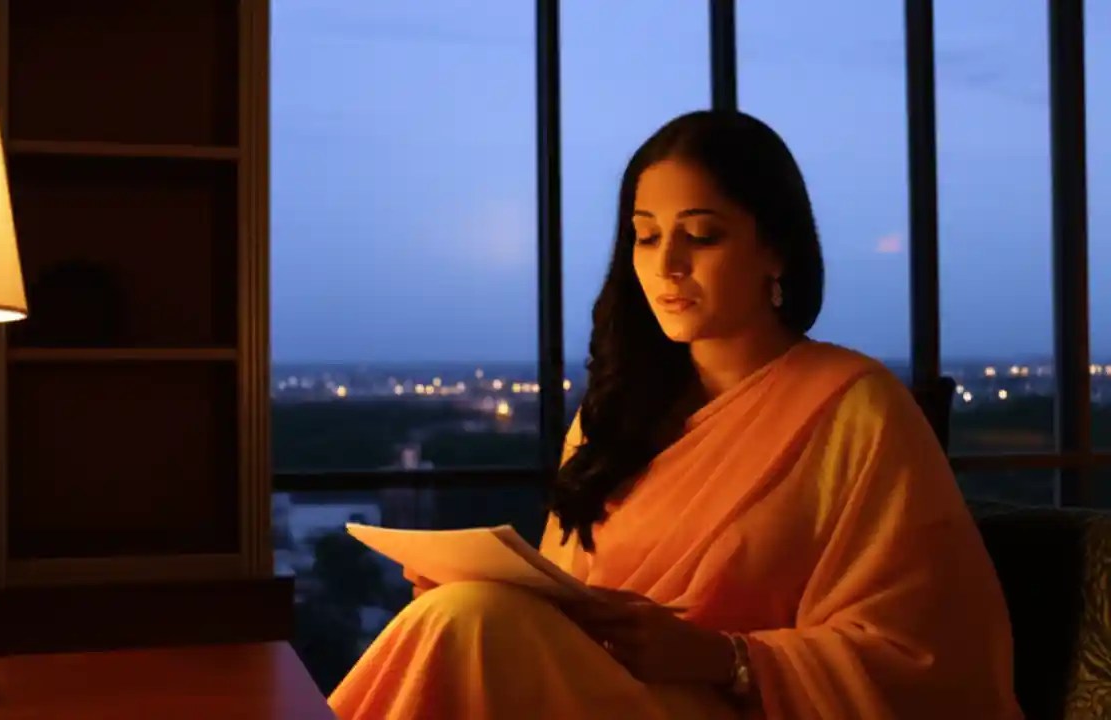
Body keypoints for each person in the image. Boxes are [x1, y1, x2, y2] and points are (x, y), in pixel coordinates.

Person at [328, 110, 1022, 719]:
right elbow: (569, 600)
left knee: (467, 621)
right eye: (647, 236)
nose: (669, 265)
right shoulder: (616, 414)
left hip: (736, 705)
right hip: (591, 695)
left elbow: (927, 661)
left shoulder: (856, 408)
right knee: (463, 611)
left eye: (703, 235)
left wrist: (724, 658)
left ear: (774, 248)